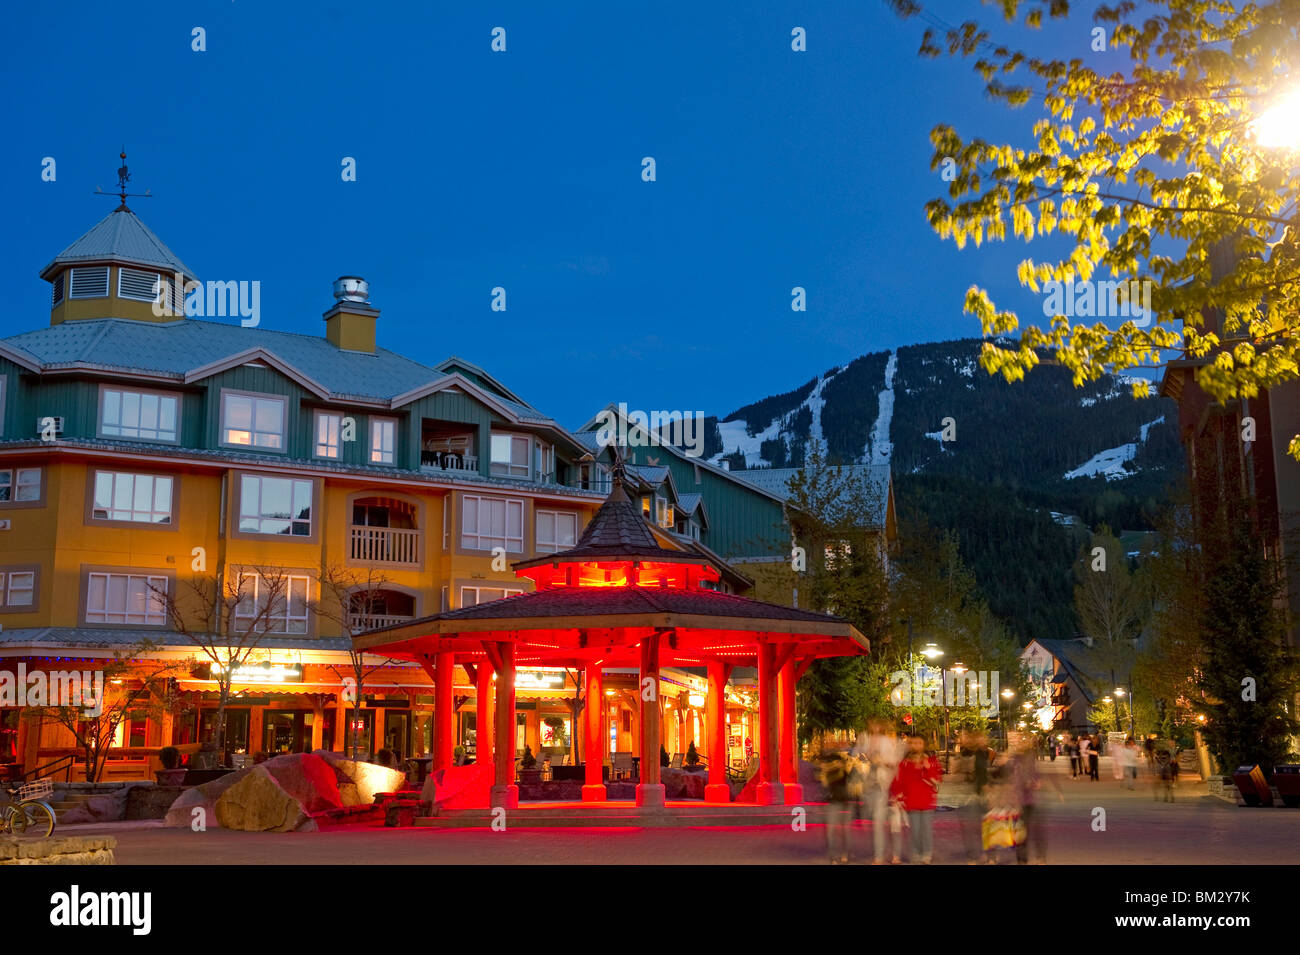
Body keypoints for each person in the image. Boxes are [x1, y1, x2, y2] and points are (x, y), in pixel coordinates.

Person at [852, 720, 905, 864]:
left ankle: (896, 855)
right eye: (871, 725)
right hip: (873, 787)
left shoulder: (887, 742)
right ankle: (879, 856)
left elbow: (895, 763)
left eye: (877, 725)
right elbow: (856, 758)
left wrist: (882, 761)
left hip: (889, 786)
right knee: (878, 822)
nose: (874, 727)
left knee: (895, 824)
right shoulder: (865, 740)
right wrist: (865, 758)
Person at [890, 733, 944, 864]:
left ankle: (927, 854)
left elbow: (937, 779)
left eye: (919, 743)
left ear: (924, 744)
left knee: (926, 830)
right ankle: (916, 853)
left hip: (926, 801)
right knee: (915, 831)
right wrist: (896, 796)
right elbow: (898, 781)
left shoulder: (931, 760)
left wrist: (928, 768)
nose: (916, 746)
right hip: (912, 801)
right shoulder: (904, 763)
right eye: (913, 743)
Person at [954, 729, 996, 864]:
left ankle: (986, 856)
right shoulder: (967, 754)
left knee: (983, 827)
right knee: (975, 829)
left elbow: (985, 774)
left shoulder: (983, 754)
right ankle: (978, 856)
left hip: (979, 795)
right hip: (971, 795)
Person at [817, 750, 862, 864]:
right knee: (831, 831)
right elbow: (824, 783)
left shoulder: (845, 771)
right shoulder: (829, 773)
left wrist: (850, 765)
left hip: (846, 802)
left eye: (838, 762)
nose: (836, 764)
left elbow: (853, 780)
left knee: (845, 831)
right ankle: (833, 857)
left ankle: (845, 854)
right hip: (833, 802)